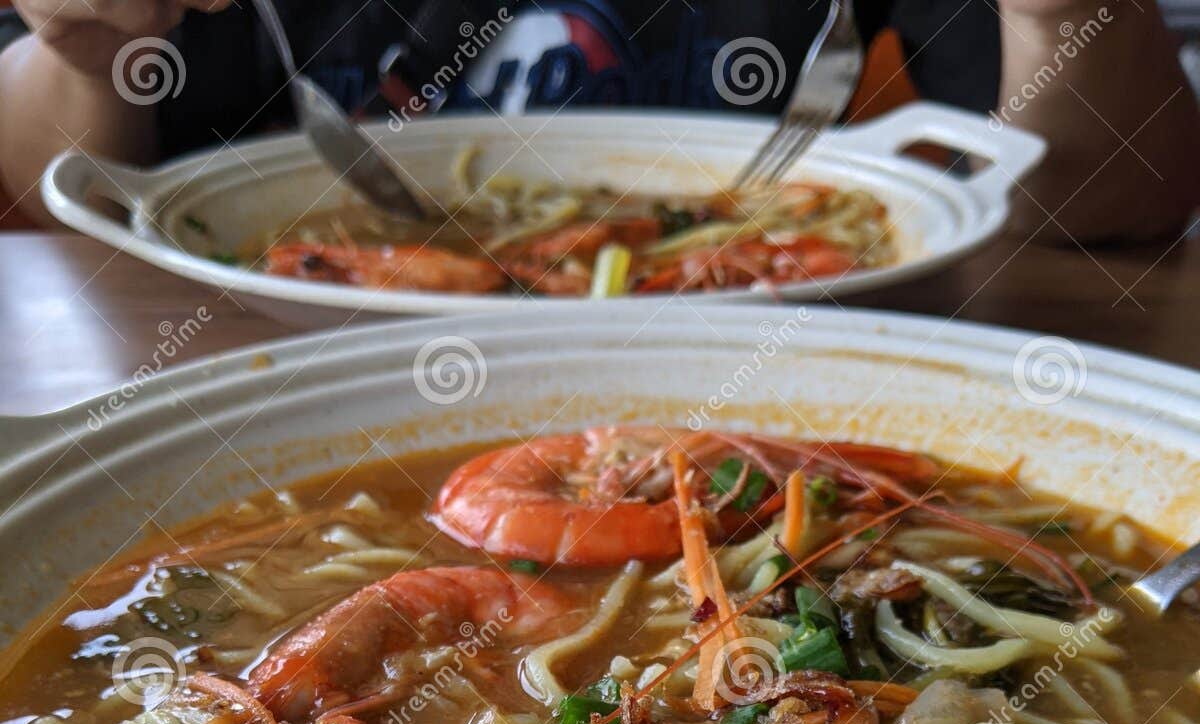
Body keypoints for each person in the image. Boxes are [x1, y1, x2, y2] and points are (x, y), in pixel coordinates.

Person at [0, 1, 1196, 242]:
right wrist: (92, 58)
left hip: (760, 365)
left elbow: (1121, 200)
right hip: (277, 375)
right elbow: (44, 191)